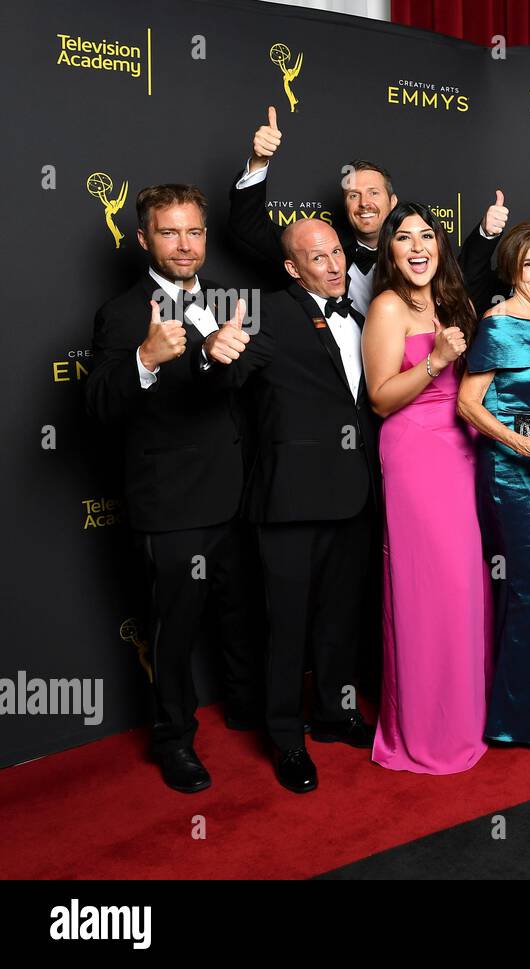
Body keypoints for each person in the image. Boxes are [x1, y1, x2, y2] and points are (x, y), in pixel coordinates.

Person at [85, 184, 260, 793]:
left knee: (241, 615)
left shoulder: (223, 301)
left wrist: (217, 360)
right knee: (176, 628)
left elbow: (226, 386)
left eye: (194, 232)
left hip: (235, 492)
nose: (185, 245)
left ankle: (244, 709)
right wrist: (146, 360)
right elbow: (102, 405)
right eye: (170, 232)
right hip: (173, 504)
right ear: (143, 238)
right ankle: (173, 739)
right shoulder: (123, 313)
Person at [201, 219, 380, 794]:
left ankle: (331, 711)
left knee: (338, 616)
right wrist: (212, 355)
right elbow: (227, 379)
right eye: (317, 257)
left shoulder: (363, 312)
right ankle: (285, 736)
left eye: (336, 253)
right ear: (290, 268)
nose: (332, 265)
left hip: (353, 494)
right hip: (290, 499)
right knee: (286, 625)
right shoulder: (269, 311)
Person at [362, 202, 491, 773]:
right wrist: (437, 362)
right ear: (389, 251)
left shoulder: (453, 301)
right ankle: (426, 729)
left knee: (464, 586)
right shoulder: (388, 306)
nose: (417, 247)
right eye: (403, 238)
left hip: (462, 449)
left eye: (427, 236)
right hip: (415, 453)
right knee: (428, 590)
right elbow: (380, 398)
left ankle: (467, 713)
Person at [458, 222, 530, 745]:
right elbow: (467, 404)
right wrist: (521, 445)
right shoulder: (497, 325)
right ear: (511, 270)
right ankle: (519, 721)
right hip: (507, 475)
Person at [227, 106, 397, 315]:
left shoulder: (417, 252)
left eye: (373, 193)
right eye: (353, 195)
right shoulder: (316, 245)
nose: (364, 203)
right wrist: (259, 161)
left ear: (393, 201)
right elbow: (249, 225)